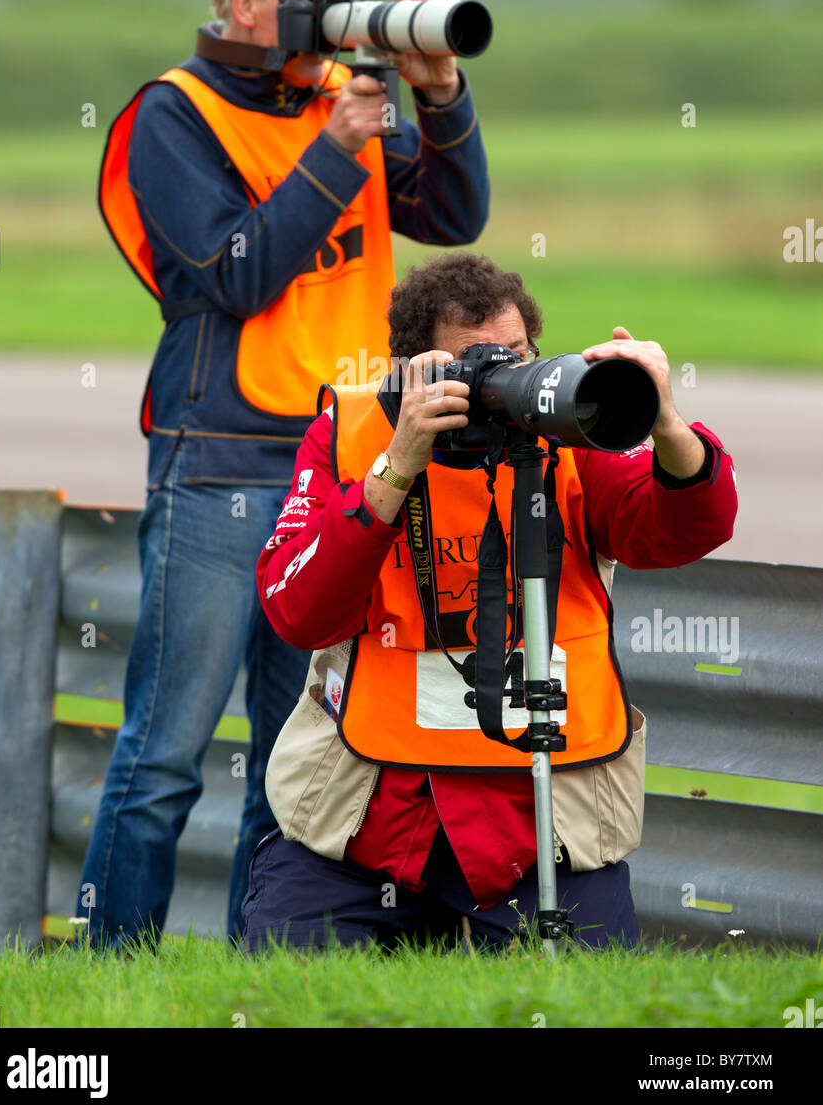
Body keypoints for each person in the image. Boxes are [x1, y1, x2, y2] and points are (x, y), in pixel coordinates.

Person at [77, 0, 490, 949]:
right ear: (242, 1)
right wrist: (336, 148)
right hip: (215, 459)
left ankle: (255, 974)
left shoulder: (338, 102)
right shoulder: (173, 115)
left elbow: (453, 215)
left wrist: (439, 98)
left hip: (334, 457)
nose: (329, 9)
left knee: (288, 753)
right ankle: (112, 972)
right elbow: (226, 271)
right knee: (166, 751)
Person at [246, 252, 738, 952]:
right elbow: (298, 608)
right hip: (371, 817)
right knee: (282, 988)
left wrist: (664, 422)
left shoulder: (570, 436)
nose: (496, 383)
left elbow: (689, 526)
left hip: (543, 819)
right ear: (411, 371)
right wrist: (399, 464)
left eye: (512, 359)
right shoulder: (353, 433)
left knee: (589, 1001)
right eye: (469, 367)